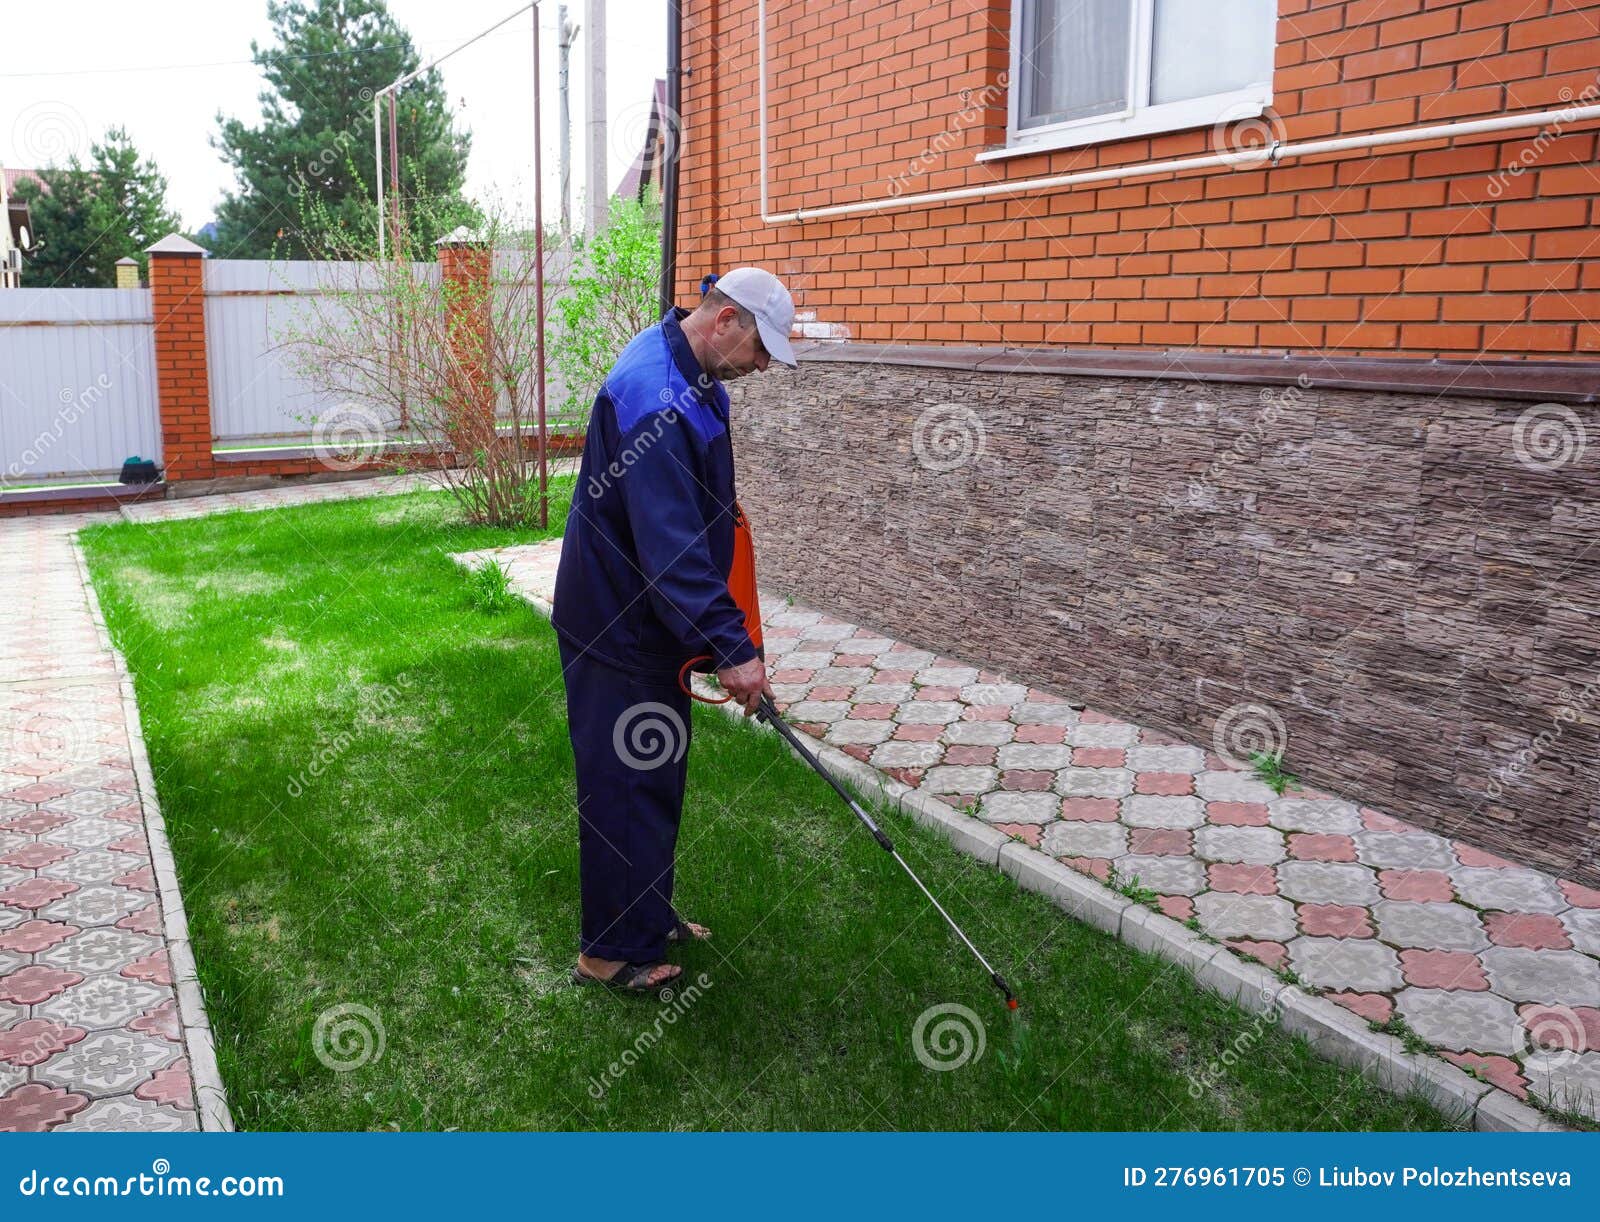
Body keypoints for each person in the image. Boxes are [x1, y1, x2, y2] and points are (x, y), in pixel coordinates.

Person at [551, 267, 797, 994]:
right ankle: (608, 951)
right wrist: (734, 650)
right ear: (725, 321)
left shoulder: (687, 369)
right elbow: (675, 552)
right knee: (625, 784)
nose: (759, 368)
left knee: (654, 774)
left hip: (645, 621)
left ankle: (645, 913)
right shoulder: (659, 398)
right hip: (618, 624)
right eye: (758, 350)